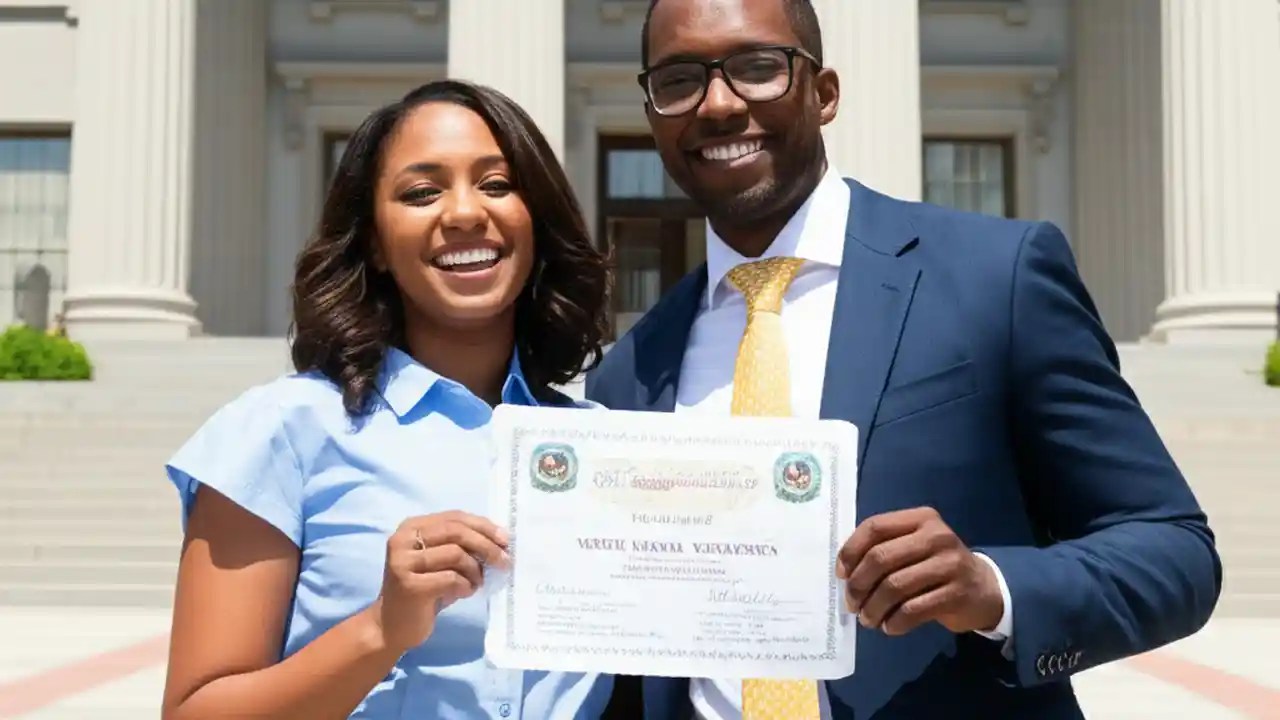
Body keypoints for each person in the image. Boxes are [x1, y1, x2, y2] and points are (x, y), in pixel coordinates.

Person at [584, 1, 1223, 718]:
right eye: (678, 81)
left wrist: (991, 588)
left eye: (758, 68)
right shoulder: (629, 374)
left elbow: (1175, 554)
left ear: (823, 93)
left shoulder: (996, 277)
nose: (720, 104)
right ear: (652, 114)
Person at [161, 80, 614, 719]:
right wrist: (382, 628)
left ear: (535, 220)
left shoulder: (602, 446)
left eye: (496, 184)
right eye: (421, 192)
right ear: (373, 241)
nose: (463, 213)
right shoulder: (280, 433)